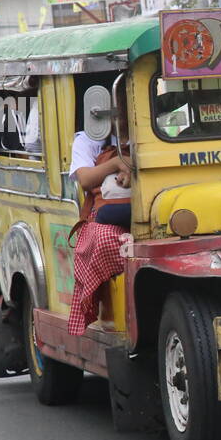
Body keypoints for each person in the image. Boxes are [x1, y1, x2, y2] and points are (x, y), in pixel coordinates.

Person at [67, 116, 132, 335]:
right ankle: (109, 307)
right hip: (102, 216)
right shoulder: (87, 140)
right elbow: (85, 179)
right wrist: (116, 163)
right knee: (107, 240)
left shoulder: (153, 131)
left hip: (153, 210)